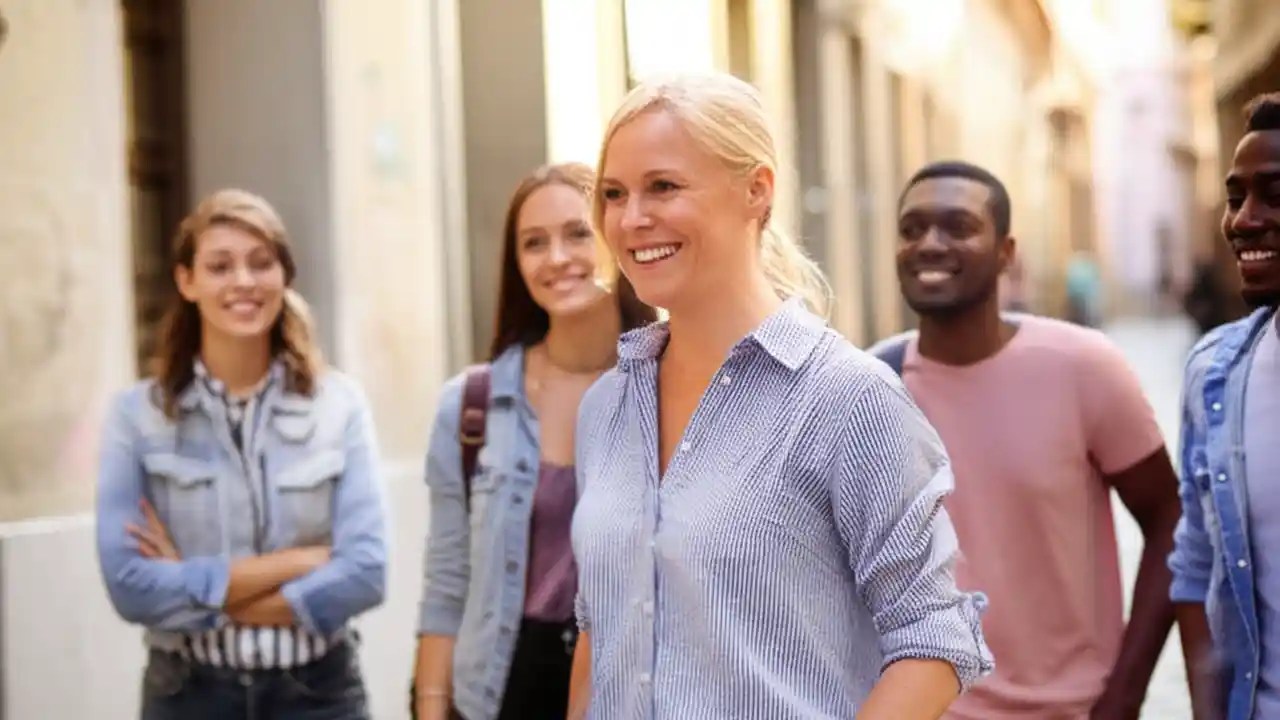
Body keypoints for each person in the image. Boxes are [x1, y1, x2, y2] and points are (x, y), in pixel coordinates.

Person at [567, 72, 993, 720]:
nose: (631, 219)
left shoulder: (847, 399)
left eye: (664, 187)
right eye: (613, 194)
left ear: (756, 190)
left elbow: (935, 641)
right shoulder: (605, 408)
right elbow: (601, 631)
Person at [870, 160, 1207, 719]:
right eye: (912, 229)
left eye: (958, 226)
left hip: (1068, 710)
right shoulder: (874, 385)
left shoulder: (1083, 367)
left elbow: (1171, 517)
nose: (929, 243)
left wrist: (1125, 693)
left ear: (1006, 252)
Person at [94, 189, 388, 720]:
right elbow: (130, 587)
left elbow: (365, 573)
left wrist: (191, 580)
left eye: (261, 263)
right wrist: (301, 561)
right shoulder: (137, 417)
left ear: (285, 276)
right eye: (220, 266)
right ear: (187, 281)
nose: (244, 282)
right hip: (187, 695)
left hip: (319, 696)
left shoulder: (339, 406)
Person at [413, 163, 656, 720]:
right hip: (501, 688)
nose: (557, 258)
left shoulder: (671, 388)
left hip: (630, 686)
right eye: (533, 243)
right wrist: (430, 707)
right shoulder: (471, 406)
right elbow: (448, 581)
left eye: (576, 233)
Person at [1170, 91, 1280, 720]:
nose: (1242, 220)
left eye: (1275, 194)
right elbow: (1195, 566)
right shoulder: (1216, 374)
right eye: (1237, 197)